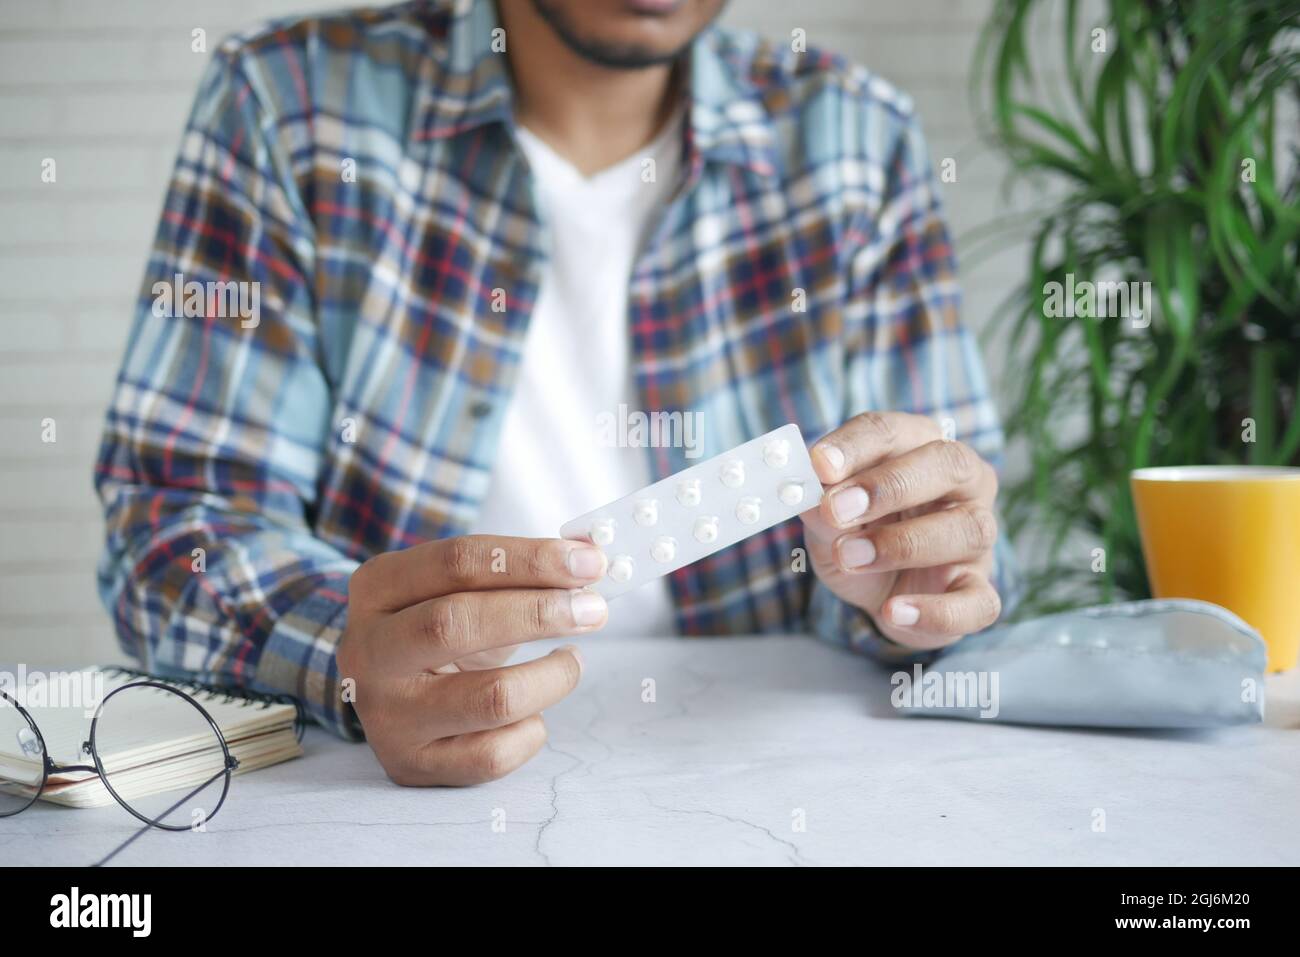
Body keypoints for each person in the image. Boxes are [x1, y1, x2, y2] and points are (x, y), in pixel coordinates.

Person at [95, 0, 1017, 786]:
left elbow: (965, 550)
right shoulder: (288, 103)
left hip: (766, 784)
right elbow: (177, 527)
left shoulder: (858, 137)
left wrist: (904, 582)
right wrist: (344, 653)